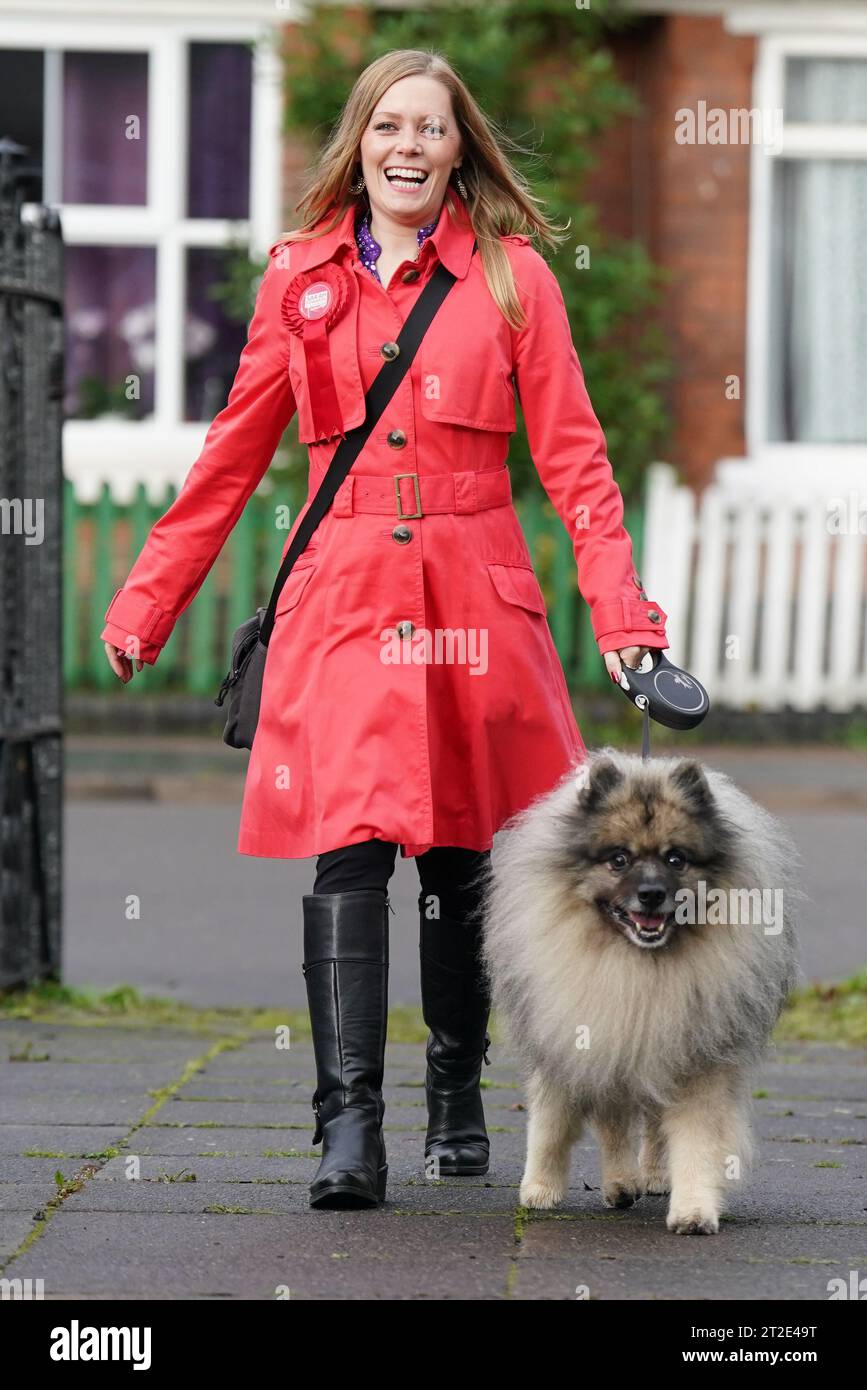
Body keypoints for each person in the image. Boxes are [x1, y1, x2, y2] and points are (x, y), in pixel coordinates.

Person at [102, 48, 670, 1211]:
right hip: (346, 595)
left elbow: (577, 463)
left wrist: (625, 617)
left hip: (476, 597)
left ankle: (455, 1098)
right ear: (358, 145)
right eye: (387, 127)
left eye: (432, 128)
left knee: (466, 854)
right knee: (350, 846)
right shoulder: (298, 281)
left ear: (462, 150)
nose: (408, 146)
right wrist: (149, 597)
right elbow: (231, 458)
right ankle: (345, 1125)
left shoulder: (514, 282)